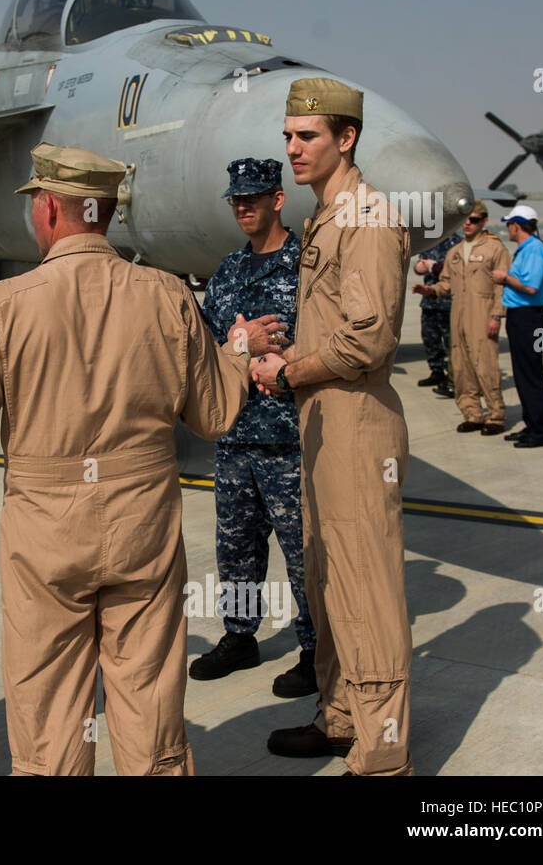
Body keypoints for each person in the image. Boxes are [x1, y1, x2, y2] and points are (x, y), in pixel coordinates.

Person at [0, 142, 285, 775]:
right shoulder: (167, 295)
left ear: (48, 208)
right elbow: (212, 416)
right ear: (104, 213)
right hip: (143, 527)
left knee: (49, 719)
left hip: (46, 536)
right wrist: (237, 355)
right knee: (151, 705)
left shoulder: (2, 304)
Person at [250, 78, 414, 775]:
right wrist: (290, 355)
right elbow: (336, 328)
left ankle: (383, 755)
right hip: (323, 424)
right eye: (288, 135)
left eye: (307, 136)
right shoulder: (326, 216)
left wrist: (288, 371)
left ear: (346, 139)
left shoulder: (368, 219)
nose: (292, 148)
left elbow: (368, 341)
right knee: (327, 583)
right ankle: (342, 716)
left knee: (366, 593)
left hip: (355, 427)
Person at [189, 157, 316, 698]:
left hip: (290, 438)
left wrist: (282, 361)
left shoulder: (307, 267)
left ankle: (317, 648)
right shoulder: (226, 274)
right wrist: (242, 346)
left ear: (278, 199)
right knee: (236, 549)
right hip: (236, 437)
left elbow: (323, 341)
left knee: (303, 551)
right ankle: (241, 636)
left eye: (254, 197)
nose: (243, 206)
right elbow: (205, 352)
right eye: (236, 199)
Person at [412, 201, 509, 434]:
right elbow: (446, 283)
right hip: (458, 316)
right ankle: (472, 414)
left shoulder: (495, 249)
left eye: (473, 219)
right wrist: (431, 291)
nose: (467, 223)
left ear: (484, 221)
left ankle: (495, 416)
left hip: (482, 314)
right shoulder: (454, 253)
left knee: (486, 368)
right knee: (462, 368)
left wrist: (497, 316)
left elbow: (501, 288)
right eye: (465, 219)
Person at [493, 205, 543, 447]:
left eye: (509, 224)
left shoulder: (534, 250)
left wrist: (504, 278)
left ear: (516, 225)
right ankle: (532, 425)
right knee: (524, 374)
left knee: (532, 375)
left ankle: (540, 432)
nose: (508, 229)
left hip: (530, 319)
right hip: (524, 318)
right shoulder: (527, 249)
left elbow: (531, 287)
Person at [411, 225, 463, 397]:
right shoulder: (430, 241)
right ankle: (437, 371)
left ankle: (455, 377)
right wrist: (419, 267)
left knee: (452, 342)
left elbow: (457, 272)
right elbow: (419, 265)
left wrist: (434, 267)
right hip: (429, 300)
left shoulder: (457, 243)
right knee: (430, 337)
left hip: (448, 301)